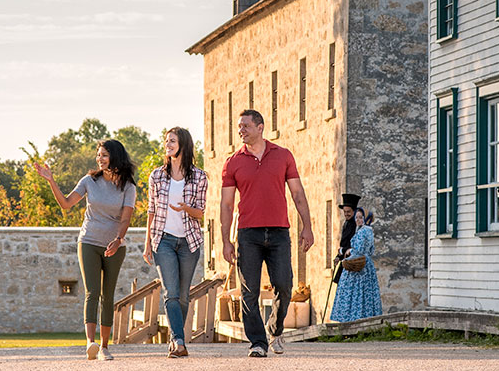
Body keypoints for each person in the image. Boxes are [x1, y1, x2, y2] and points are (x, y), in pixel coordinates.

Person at [221, 109, 314, 357]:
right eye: (239, 126)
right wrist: (225, 241)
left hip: (279, 232)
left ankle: (275, 330)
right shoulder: (233, 162)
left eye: (245, 126)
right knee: (248, 290)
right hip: (248, 234)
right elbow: (227, 204)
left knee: (284, 285)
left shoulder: (282, 155)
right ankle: (258, 343)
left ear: (260, 127)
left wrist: (308, 226)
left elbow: (297, 194)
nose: (240, 130)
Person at [36, 139, 136, 361]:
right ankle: (91, 343)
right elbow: (66, 203)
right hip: (89, 241)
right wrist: (51, 181)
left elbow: (126, 218)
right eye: (98, 155)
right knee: (92, 292)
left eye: (104, 155)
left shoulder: (128, 186)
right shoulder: (89, 181)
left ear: (115, 157)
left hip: (115, 246)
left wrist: (118, 240)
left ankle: (105, 347)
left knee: (107, 295)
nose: (99, 159)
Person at [143, 127, 207, 358]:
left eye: (173, 141)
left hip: (189, 242)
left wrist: (186, 209)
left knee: (183, 295)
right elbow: (151, 211)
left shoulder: (199, 176)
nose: (168, 144)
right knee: (170, 292)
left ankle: (175, 338)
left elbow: (200, 213)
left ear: (184, 145)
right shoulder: (156, 176)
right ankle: (179, 342)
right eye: (166, 141)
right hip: (164, 240)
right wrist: (147, 243)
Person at [329, 208, 382, 322]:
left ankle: (353, 319)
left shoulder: (364, 231)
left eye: (361, 217)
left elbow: (359, 250)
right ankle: (364, 318)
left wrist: (345, 251)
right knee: (365, 292)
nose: (358, 220)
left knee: (353, 291)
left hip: (359, 264)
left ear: (365, 218)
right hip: (367, 265)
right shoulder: (367, 230)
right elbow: (371, 250)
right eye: (356, 217)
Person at [332, 193, 360, 285]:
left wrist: (342, 250)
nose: (346, 214)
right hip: (345, 260)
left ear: (354, 211)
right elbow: (344, 243)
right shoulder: (346, 223)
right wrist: (338, 257)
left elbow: (353, 245)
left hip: (352, 263)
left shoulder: (355, 225)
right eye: (345, 212)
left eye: (348, 212)